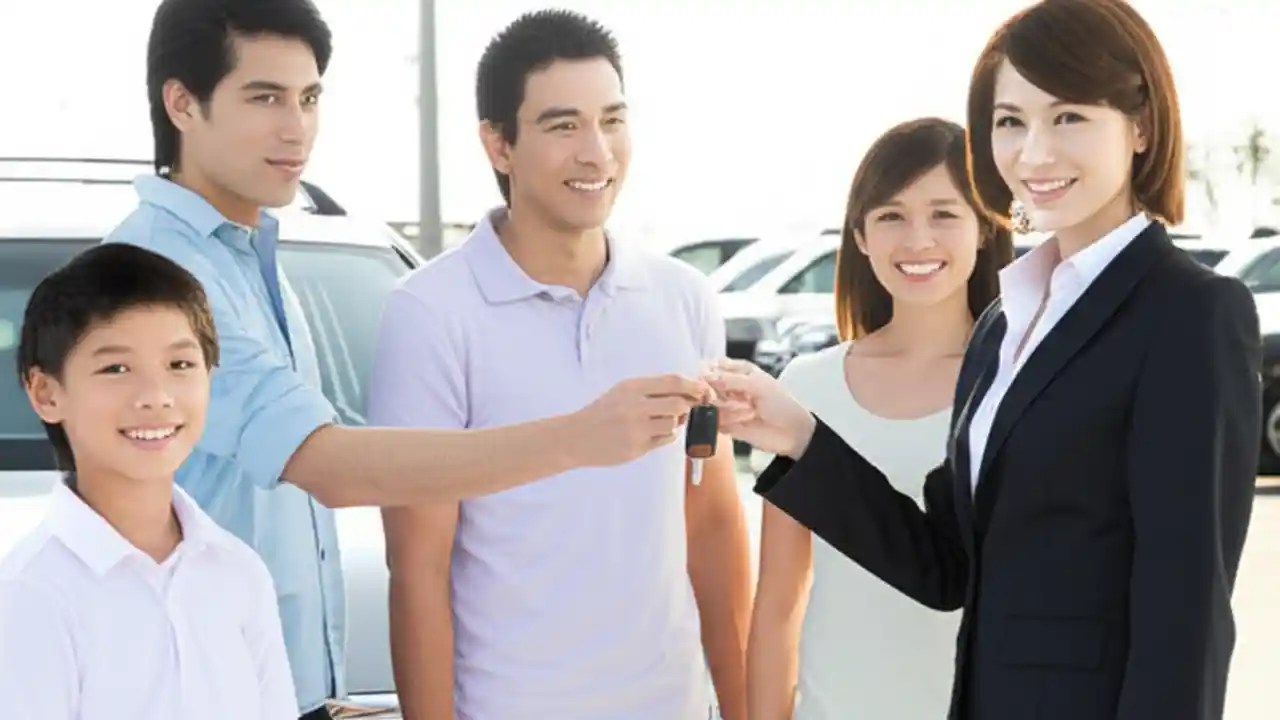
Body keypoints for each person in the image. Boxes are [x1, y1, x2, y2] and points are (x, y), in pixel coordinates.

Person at [106, 2, 710, 718]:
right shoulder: (160, 274)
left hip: (276, 689)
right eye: (265, 98)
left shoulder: (253, 260)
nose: (296, 128)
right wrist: (580, 437)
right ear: (183, 103)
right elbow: (329, 466)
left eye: (309, 98)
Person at [709, 2, 1261, 719]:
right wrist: (800, 436)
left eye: (1068, 117)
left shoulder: (1189, 314)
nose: (1034, 153)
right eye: (1010, 122)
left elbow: (1185, 619)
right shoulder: (1008, 324)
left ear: (1141, 125)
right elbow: (946, 562)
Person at [366, 10, 752, 720]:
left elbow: (713, 526)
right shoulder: (430, 313)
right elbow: (418, 570)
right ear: (499, 143)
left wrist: (746, 709)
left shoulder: (683, 300)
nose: (597, 152)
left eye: (612, 120)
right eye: (562, 125)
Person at [747, 118, 1012, 719]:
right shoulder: (805, 387)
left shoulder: (1019, 384)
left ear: (983, 227)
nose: (917, 239)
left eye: (944, 213)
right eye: (891, 215)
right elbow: (779, 602)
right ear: (861, 235)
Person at [1, 244, 296, 720]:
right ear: (46, 393)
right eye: (116, 369)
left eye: (180, 365)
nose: (156, 397)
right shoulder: (31, 593)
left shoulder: (238, 572)